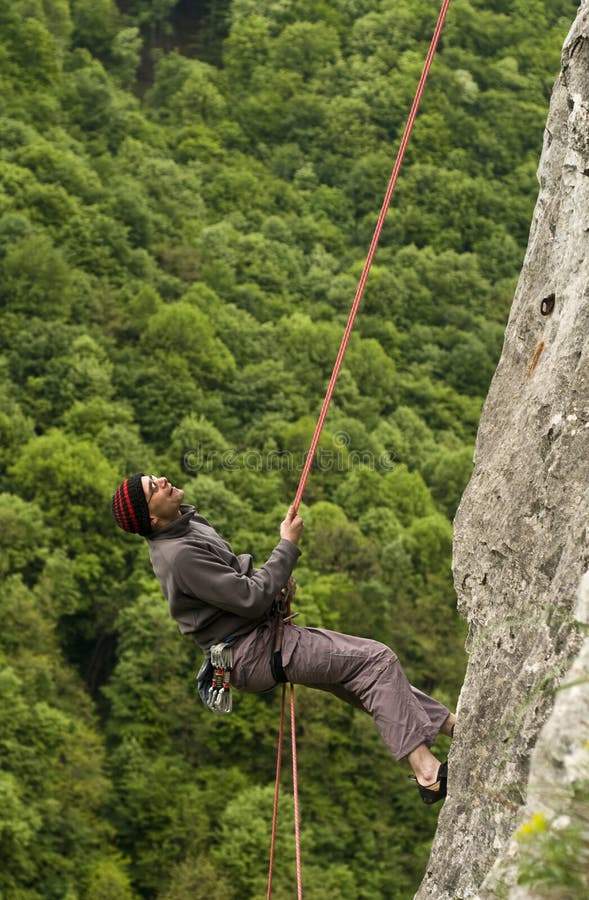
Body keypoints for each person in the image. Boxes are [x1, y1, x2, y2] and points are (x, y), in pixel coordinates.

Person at [112, 472, 455, 804]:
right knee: (376, 661)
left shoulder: (187, 526)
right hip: (252, 650)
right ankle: (427, 773)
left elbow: (239, 587)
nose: (161, 481)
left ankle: (454, 728)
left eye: (153, 478)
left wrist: (273, 583)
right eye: (152, 488)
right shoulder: (179, 555)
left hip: (256, 638)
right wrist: (286, 547)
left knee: (362, 678)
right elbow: (249, 598)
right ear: (152, 518)